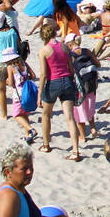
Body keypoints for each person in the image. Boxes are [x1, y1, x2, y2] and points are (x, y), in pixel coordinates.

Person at [37, 21, 81, 160]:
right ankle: (75, 150)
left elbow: (44, 74)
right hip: (67, 80)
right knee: (70, 117)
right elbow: (71, 68)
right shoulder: (64, 47)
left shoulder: (44, 50)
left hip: (53, 83)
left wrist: (39, 94)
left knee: (46, 115)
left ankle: (46, 144)